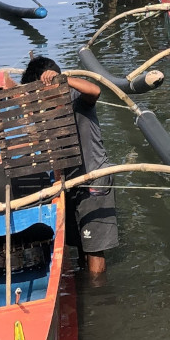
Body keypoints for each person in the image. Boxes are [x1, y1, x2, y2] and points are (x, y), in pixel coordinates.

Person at [23, 55, 117, 277]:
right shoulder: (44, 112)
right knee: (81, 244)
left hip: (94, 178)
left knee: (95, 248)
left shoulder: (75, 97)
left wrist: (63, 78)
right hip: (70, 183)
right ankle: (85, 282)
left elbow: (94, 91)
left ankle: (97, 292)